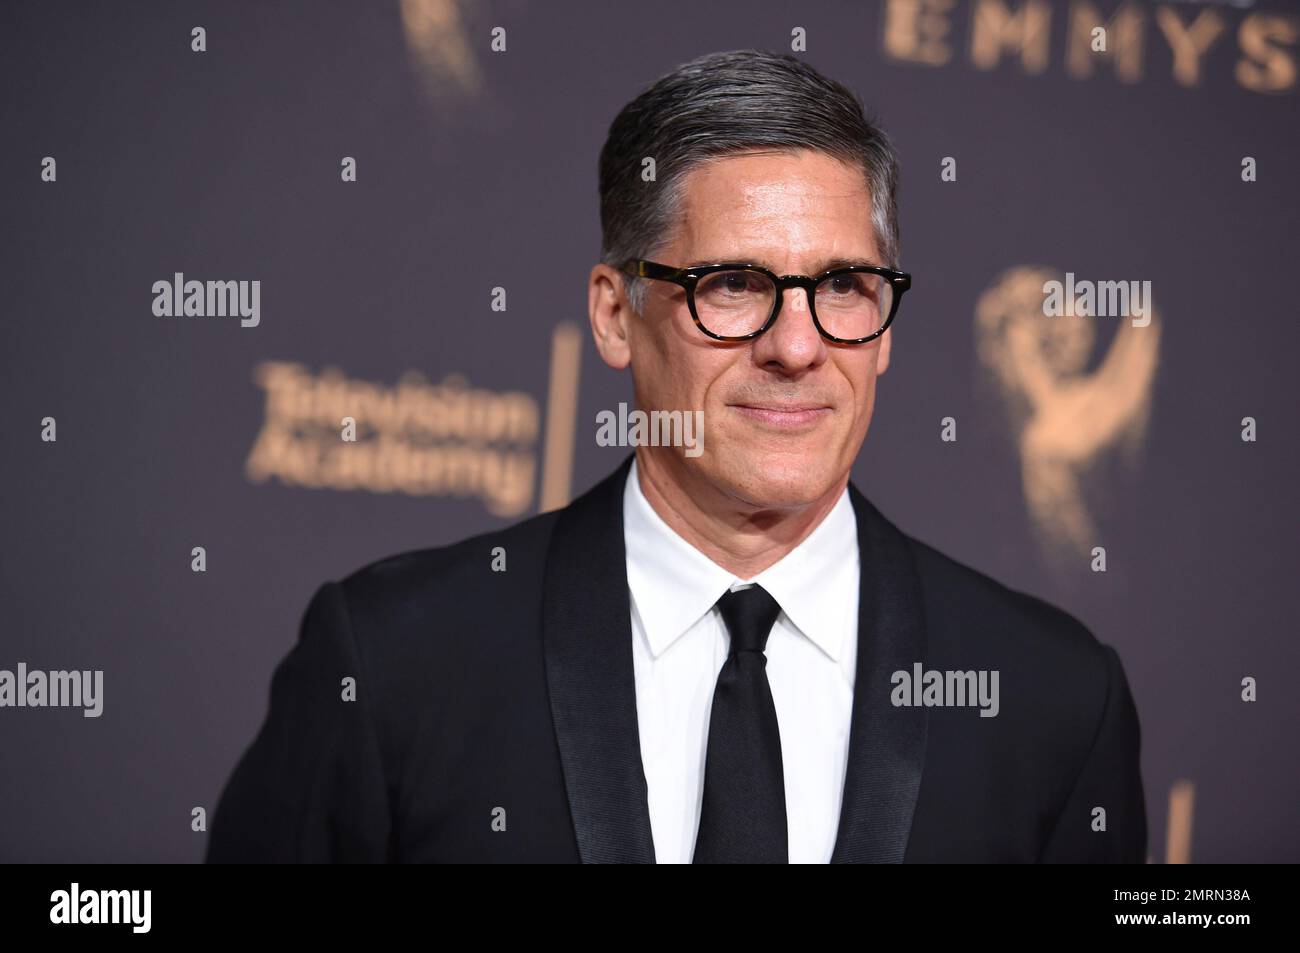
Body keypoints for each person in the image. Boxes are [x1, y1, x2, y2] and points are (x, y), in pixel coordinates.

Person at [208, 49, 1146, 864]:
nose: (795, 347)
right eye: (733, 284)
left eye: (845, 287)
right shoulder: (392, 659)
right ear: (617, 315)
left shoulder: (1052, 698)